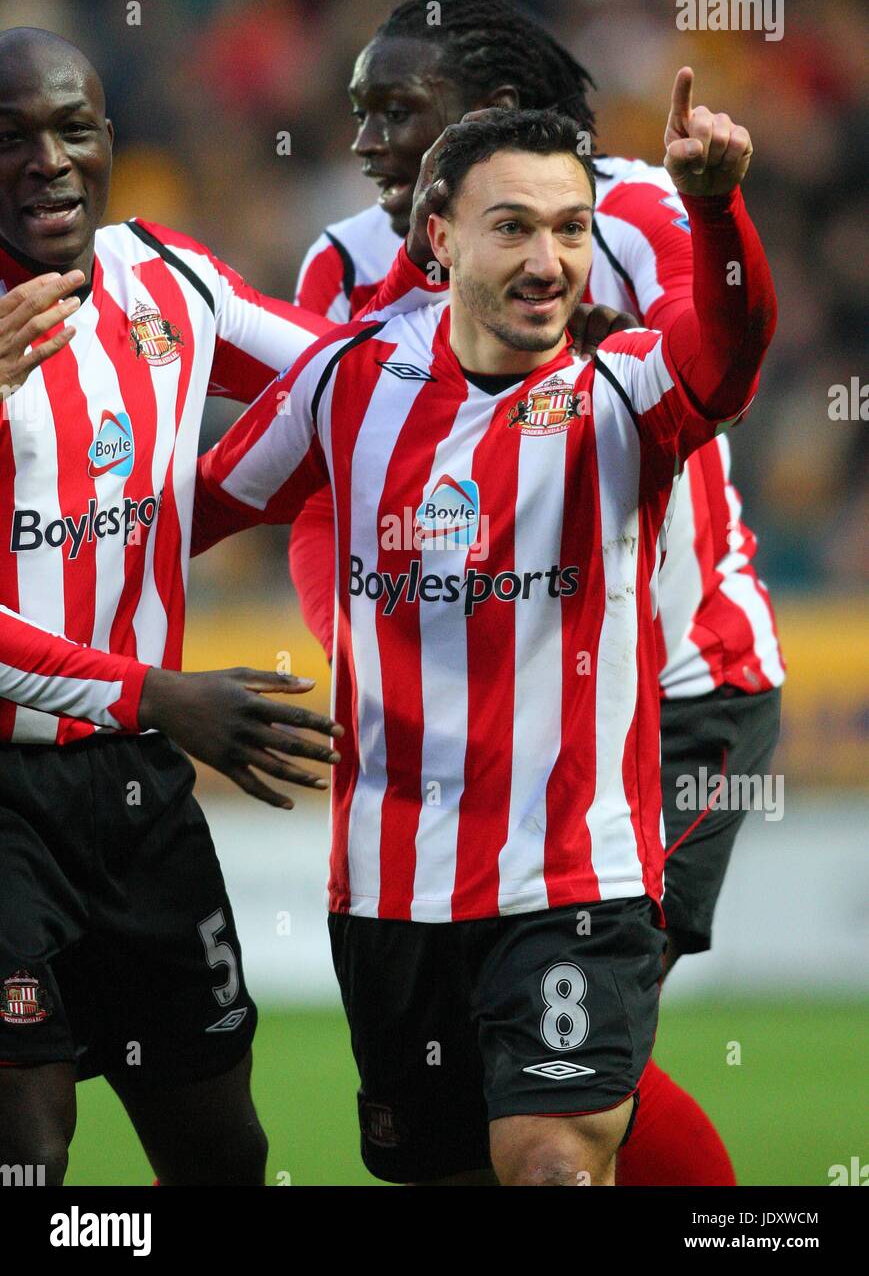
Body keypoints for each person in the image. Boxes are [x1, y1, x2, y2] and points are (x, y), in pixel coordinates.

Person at [192, 75, 777, 1186]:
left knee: (551, 1160)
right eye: (510, 226)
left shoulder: (627, 392)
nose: (546, 261)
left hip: (573, 878)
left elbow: (732, 350)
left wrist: (716, 211)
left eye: (569, 230)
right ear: (436, 237)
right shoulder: (343, 386)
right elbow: (194, 510)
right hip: (386, 889)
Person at [0, 25, 431, 1186]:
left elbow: (348, 382)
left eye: (71, 129)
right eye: (10, 140)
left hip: (138, 792)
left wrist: (512, 333)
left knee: (221, 1152)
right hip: (11, 801)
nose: (46, 161)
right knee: (27, 1145)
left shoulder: (167, 281)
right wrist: (157, 692)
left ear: (107, 144)